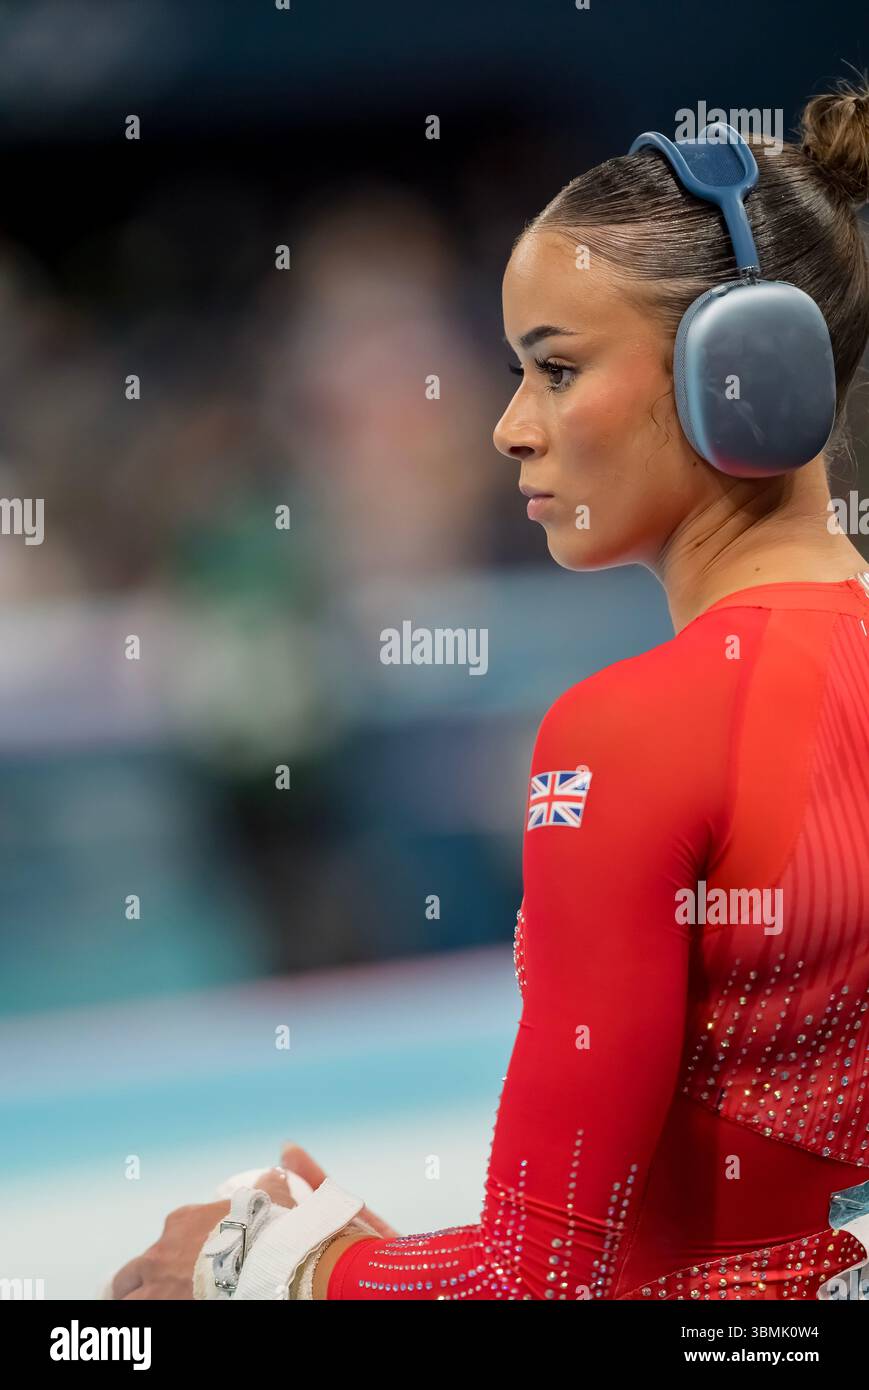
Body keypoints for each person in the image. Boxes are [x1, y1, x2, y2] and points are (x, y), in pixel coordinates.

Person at [113, 77, 869, 1301]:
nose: (510, 427)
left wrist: (250, 1266)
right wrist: (363, 1252)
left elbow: (534, 1286)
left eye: (556, 370)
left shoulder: (635, 730)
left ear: (740, 374)